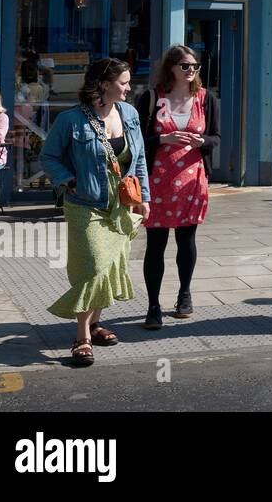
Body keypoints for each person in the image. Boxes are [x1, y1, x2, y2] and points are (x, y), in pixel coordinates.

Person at [40, 59, 150, 367]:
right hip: (85, 204)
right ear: (103, 84)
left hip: (121, 206)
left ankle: (95, 324)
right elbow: (48, 157)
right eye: (123, 82)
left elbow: (139, 160)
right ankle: (81, 336)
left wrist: (146, 199)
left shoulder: (129, 114)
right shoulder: (71, 120)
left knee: (110, 266)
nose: (129, 88)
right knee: (93, 267)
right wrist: (68, 181)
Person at [134, 45, 220, 330]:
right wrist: (163, 139)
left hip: (192, 180)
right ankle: (153, 305)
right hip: (157, 182)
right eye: (185, 66)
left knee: (187, 240)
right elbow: (138, 141)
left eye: (195, 66)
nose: (191, 71)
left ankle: (185, 294)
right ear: (170, 68)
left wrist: (202, 142)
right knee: (156, 245)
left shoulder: (206, 99)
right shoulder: (151, 98)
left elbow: (216, 138)